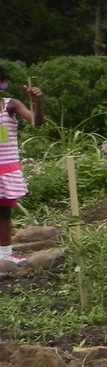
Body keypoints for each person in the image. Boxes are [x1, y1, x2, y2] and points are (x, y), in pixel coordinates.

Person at [0, 69, 44, 264]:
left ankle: (5, 255)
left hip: (5, 170)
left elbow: (36, 122)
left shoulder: (11, 105)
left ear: (3, 83)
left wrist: (37, 103)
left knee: (4, 214)